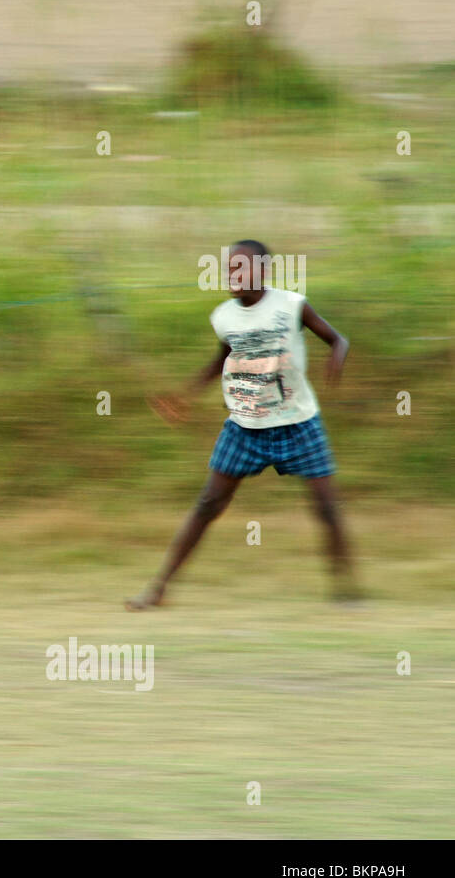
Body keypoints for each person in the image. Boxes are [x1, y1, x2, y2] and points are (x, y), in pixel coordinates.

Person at [128, 240, 359, 610]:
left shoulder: (292, 305)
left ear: (263, 271)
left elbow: (338, 339)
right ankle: (157, 590)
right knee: (207, 504)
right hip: (245, 426)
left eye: (241, 267)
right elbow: (222, 359)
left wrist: (336, 359)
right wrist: (185, 395)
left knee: (328, 508)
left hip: (298, 423)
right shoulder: (224, 317)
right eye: (228, 268)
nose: (231, 275)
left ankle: (347, 592)